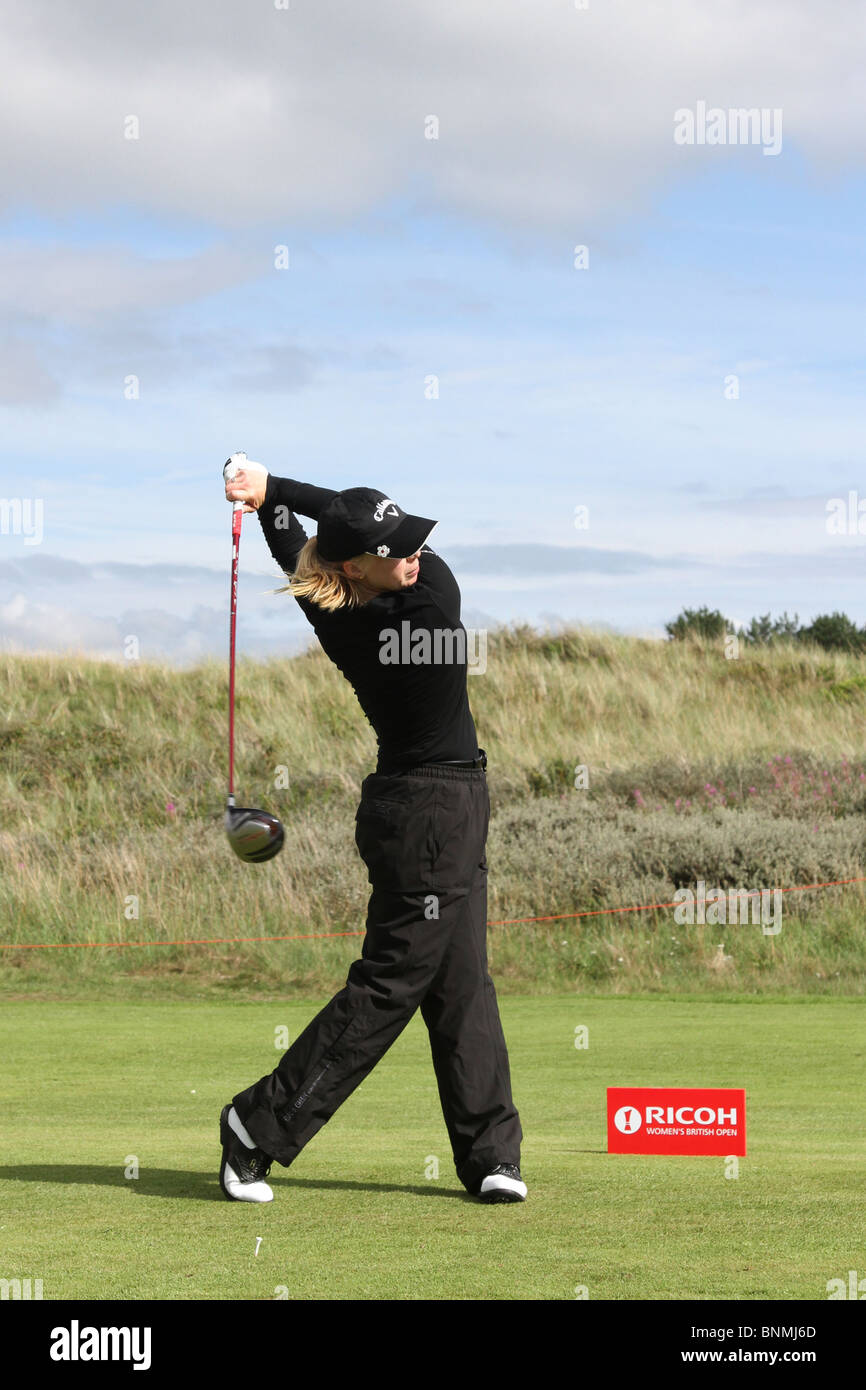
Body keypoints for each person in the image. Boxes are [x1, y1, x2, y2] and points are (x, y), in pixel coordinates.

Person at [217, 461, 525, 1205]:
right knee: (392, 982)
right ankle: (257, 1124)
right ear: (358, 566)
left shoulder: (338, 606)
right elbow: (317, 527)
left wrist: (266, 496)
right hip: (429, 812)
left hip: (432, 804)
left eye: (411, 540)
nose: (415, 554)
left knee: (461, 982)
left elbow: (303, 542)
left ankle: (489, 1153)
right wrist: (278, 491)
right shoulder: (427, 613)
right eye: (396, 550)